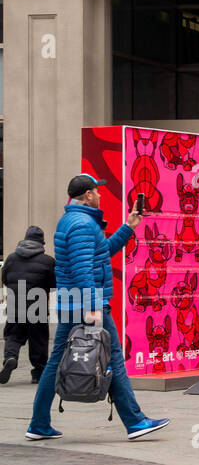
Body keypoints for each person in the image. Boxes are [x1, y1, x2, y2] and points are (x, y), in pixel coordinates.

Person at [26, 173, 169, 441]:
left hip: (73, 304)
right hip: (86, 304)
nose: (101, 194)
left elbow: (101, 253)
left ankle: (38, 424)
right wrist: (93, 306)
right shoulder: (82, 224)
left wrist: (129, 226)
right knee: (113, 358)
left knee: (56, 361)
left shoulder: (75, 221)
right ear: (89, 195)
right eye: (98, 191)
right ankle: (136, 422)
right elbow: (83, 270)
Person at [2, 226, 55, 383]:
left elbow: (5, 279)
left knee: (13, 335)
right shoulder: (47, 261)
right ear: (41, 243)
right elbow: (54, 283)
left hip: (14, 304)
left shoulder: (11, 258)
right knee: (38, 339)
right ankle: (38, 373)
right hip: (37, 306)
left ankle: (10, 357)